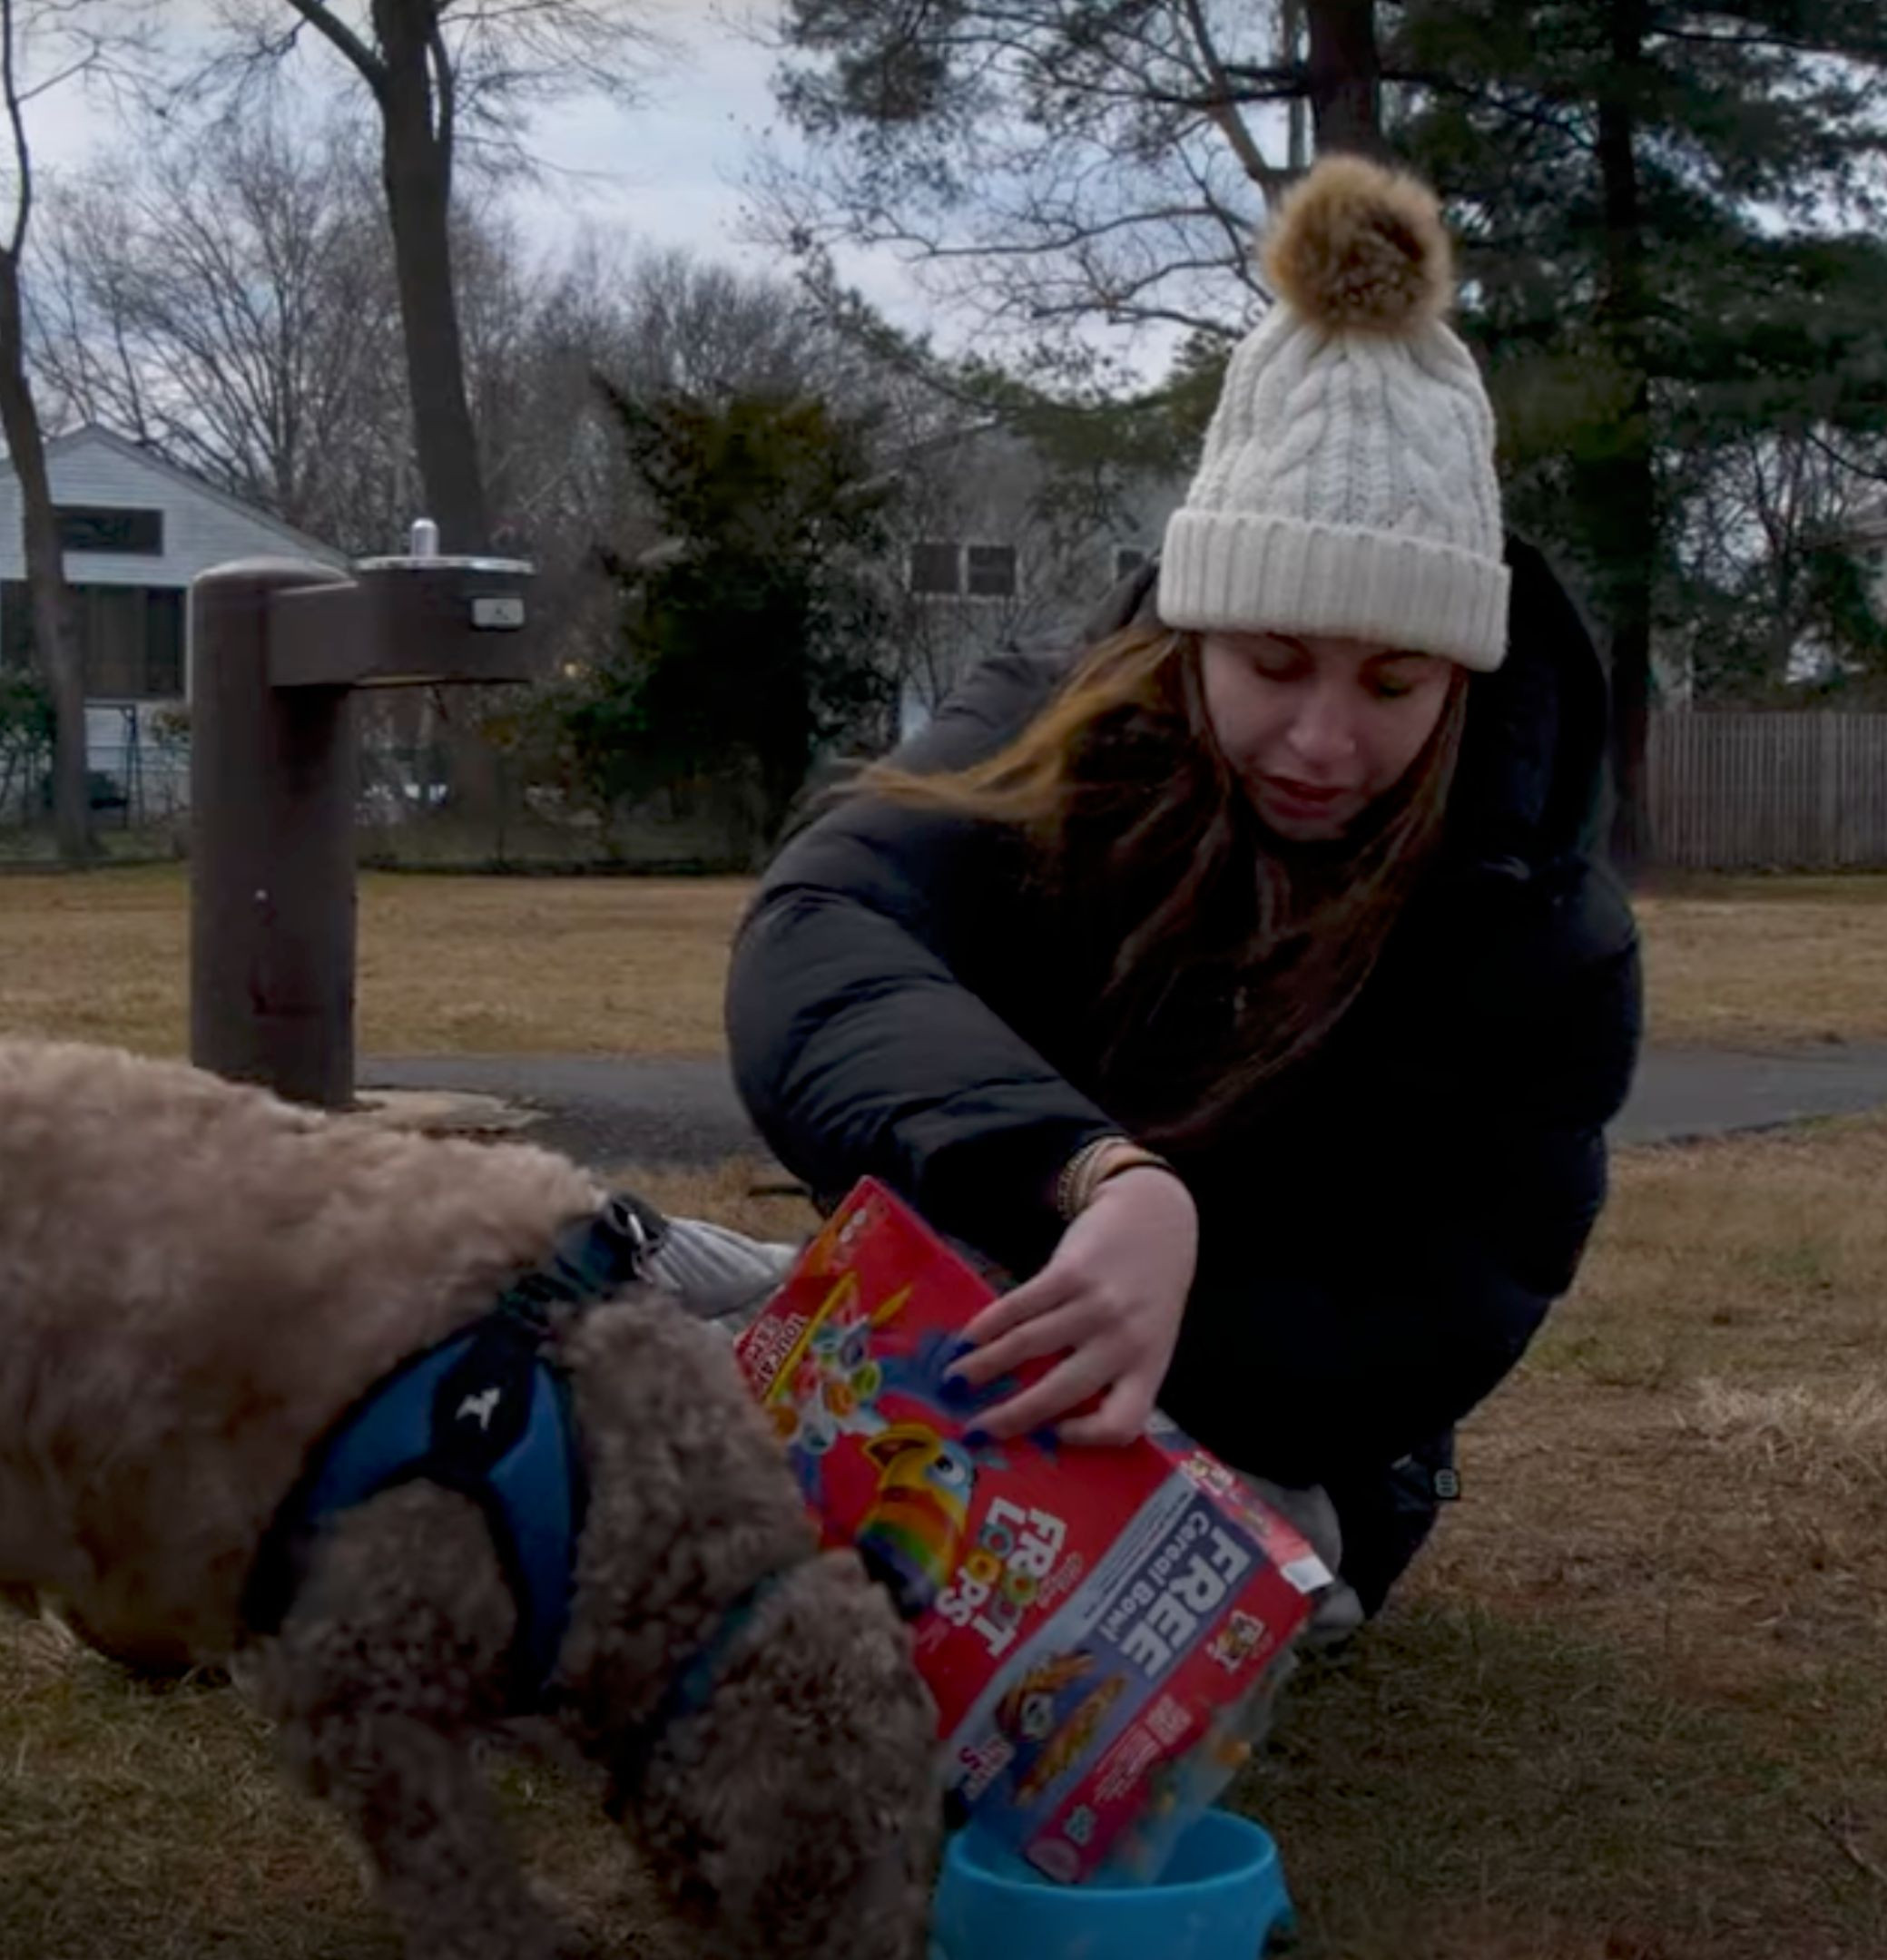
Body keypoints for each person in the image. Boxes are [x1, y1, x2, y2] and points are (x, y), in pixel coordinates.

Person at [683, 153, 1642, 1630]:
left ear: (1464, 673)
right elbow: (820, 938)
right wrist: (1094, 1180)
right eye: (1270, 662)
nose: (1325, 741)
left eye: (1393, 684)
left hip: (1270, 1450)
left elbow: (1433, 1318)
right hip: (952, 1283)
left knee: (1027, 1590)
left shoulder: (1543, 935)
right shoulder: (1043, 731)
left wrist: (1138, 1316)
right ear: (1195, 629)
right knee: (553, 1316)